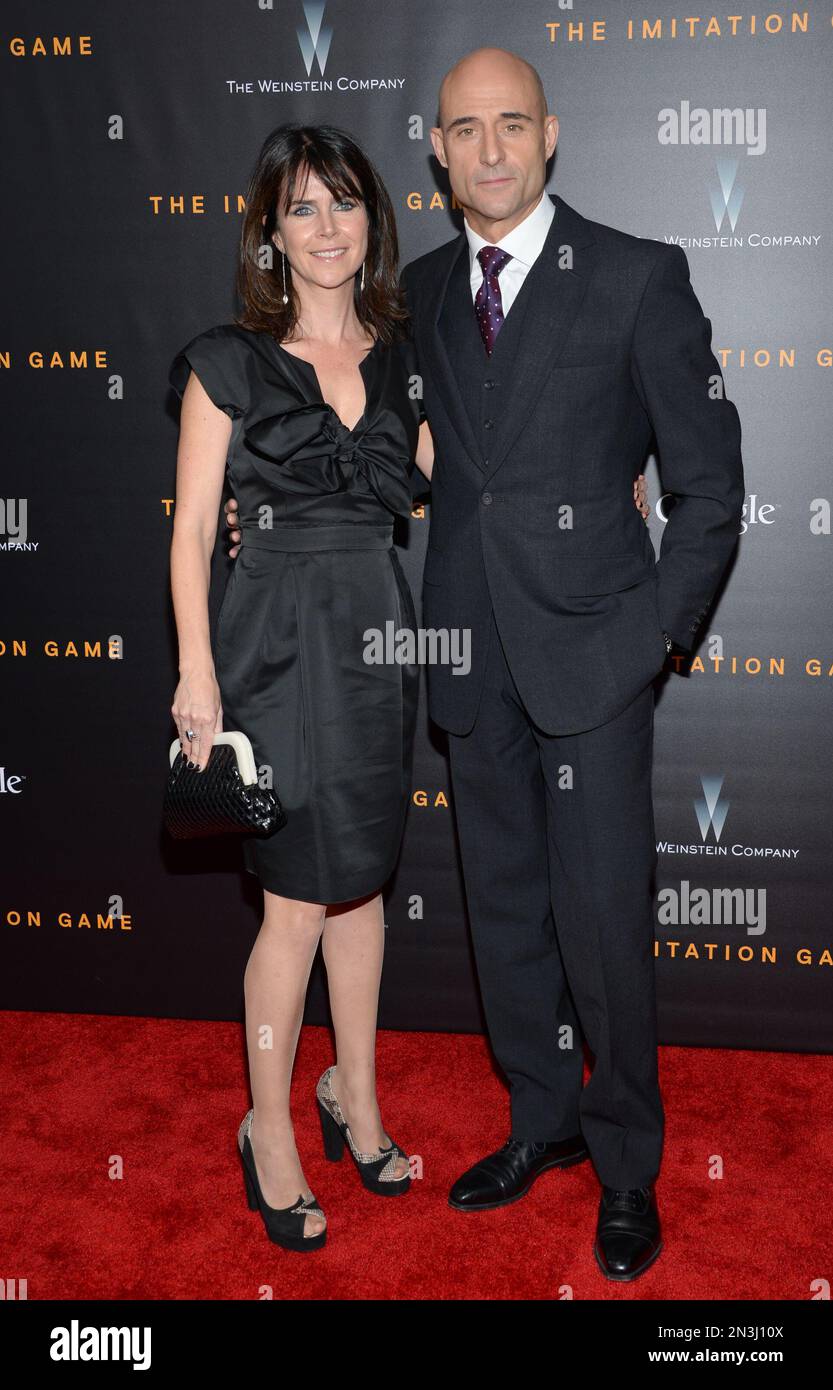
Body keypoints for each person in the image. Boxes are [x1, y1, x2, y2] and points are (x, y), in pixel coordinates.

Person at [220, 61, 695, 1275]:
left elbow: (711, 481)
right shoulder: (415, 299)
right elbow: (352, 445)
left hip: (597, 663)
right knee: (506, 921)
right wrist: (252, 521)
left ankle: (625, 1164)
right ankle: (540, 1123)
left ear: (551, 136)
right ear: (434, 150)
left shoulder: (637, 274)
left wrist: (655, 637)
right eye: (465, 130)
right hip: (463, 663)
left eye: (512, 125)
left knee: (603, 926)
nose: (490, 150)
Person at [168, 123, 436, 1250]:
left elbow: (447, 488)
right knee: (291, 905)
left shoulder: (405, 357)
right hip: (269, 648)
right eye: (301, 210)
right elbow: (189, 533)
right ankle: (266, 1125)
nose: (325, 228)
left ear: (371, 219)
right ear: (270, 234)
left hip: (375, 643)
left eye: (344, 204)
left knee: (363, 892)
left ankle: (355, 1100)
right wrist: (196, 672)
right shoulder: (226, 361)